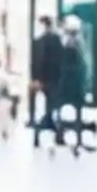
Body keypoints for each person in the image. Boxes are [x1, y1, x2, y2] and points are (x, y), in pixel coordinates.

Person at [31, 15, 66, 147]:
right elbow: (60, 61)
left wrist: (36, 79)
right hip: (54, 79)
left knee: (49, 107)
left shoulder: (38, 41)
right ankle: (57, 133)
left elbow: (36, 62)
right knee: (53, 107)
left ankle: (40, 133)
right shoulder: (56, 40)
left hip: (42, 80)